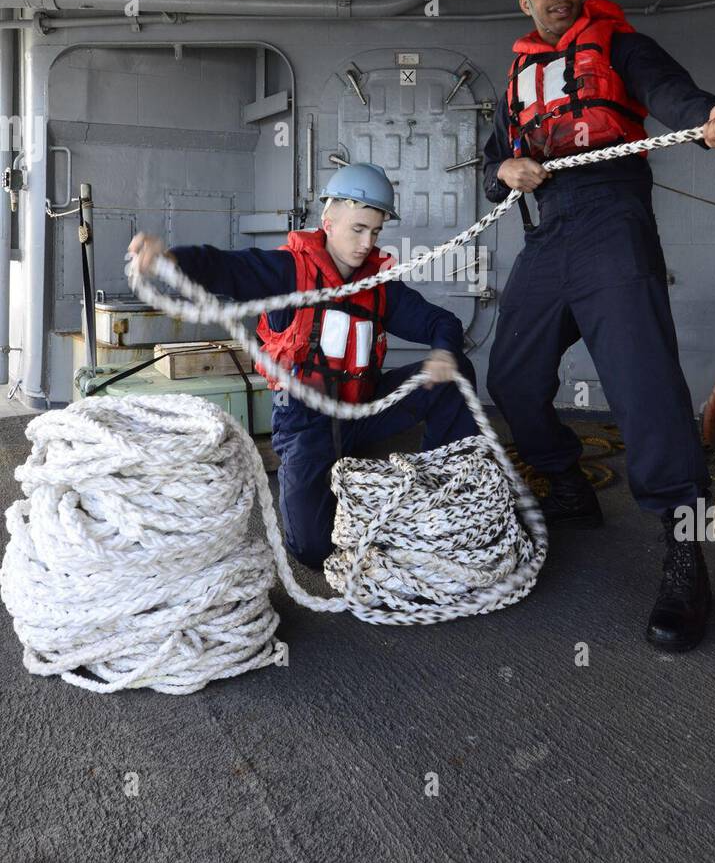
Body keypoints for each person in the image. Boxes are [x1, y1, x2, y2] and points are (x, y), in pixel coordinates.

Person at [482, 0, 715, 652]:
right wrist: (503, 171)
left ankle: (685, 552)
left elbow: (672, 92)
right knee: (510, 378)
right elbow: (491, 159)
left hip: (611, 222)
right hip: (547, 233)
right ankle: (567, 482)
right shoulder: (514, 77)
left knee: (645, 389)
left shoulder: (620, 45)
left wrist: (706, 119)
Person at [127, 163, 478, 571]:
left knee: (456, 371)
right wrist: (169, 258)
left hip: (363, 409)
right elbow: (226, 268)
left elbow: (442, 323)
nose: (367, 243)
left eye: (375, 232)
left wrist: (443, 352)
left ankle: (445, 487)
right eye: (358, 229)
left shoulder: (379, 288)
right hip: (306, 422)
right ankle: (331, 478)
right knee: (311, 549)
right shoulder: (288, 272)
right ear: (329, 222)